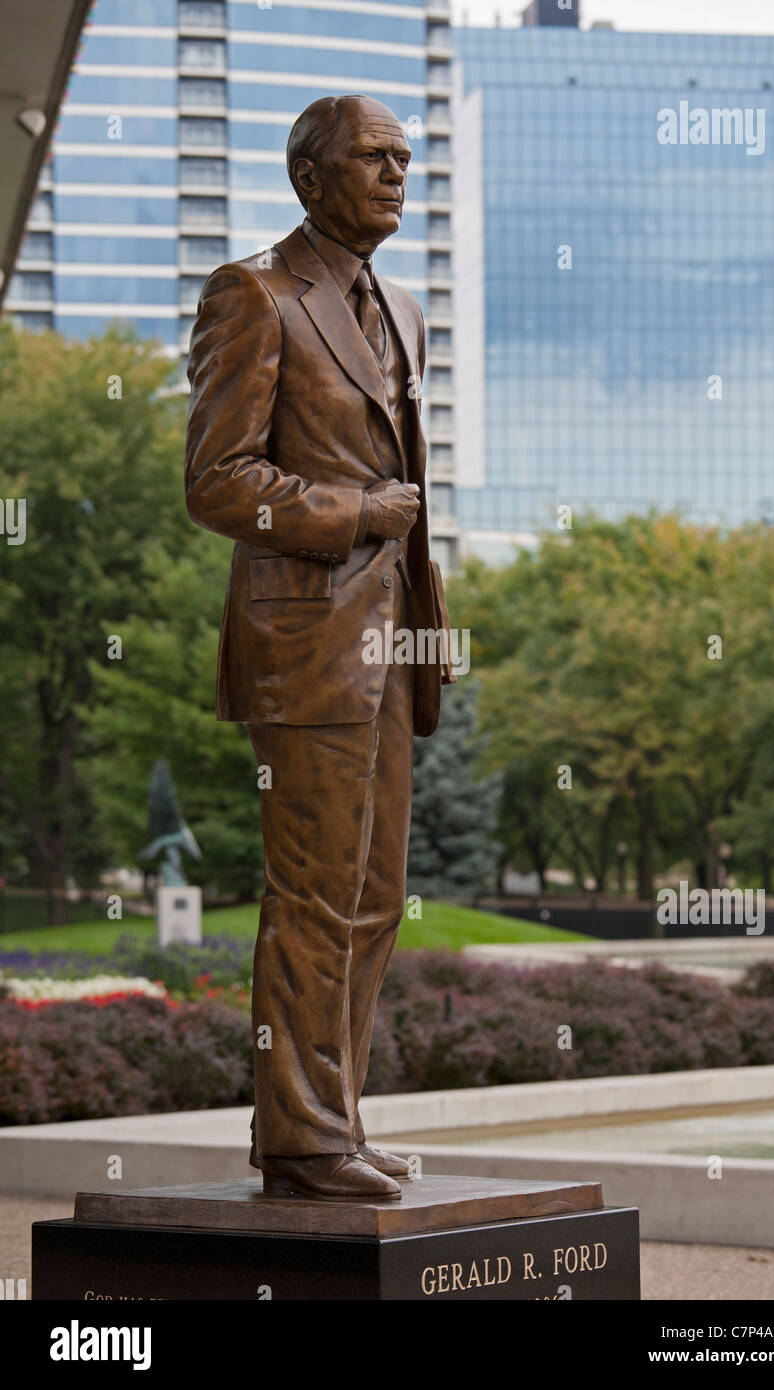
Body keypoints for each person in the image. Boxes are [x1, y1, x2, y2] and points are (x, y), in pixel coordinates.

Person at [185, 94, 453, 1201]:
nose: (395, 174)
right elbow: (216, 483)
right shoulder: (253, 294)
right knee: (310, 890)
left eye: (404, 158)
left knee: (373, 893)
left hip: (389, 644)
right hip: (304, 645)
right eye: (371, 159)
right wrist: (350, 513)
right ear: (308, 176)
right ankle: (297, 1135)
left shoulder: (399, 305)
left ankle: (332, 1118)